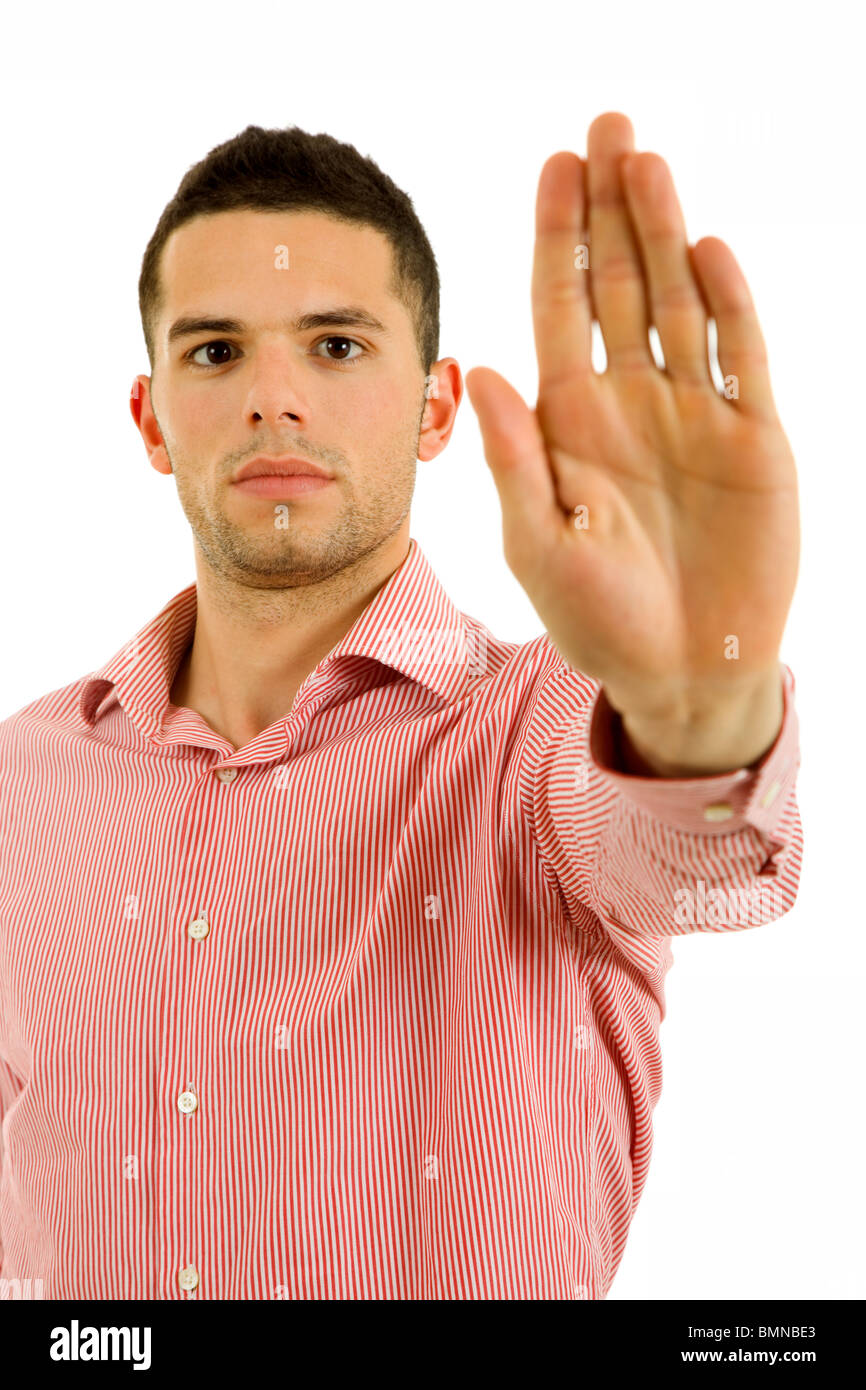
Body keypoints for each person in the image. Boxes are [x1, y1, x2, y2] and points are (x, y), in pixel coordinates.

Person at [0, 111, 801, 1300]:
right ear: (151, 418)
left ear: (434, 410)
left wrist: (698, 689)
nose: (273, 397)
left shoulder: (551, 726)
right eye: (215, 352)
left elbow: (695, 856)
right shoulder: (23, 780)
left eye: (334, 345)